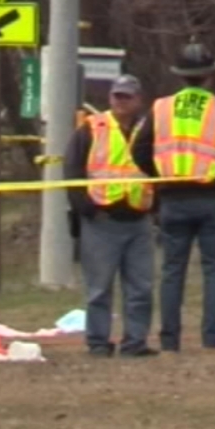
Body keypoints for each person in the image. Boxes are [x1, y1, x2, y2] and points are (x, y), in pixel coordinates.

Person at [132, 42, 215, 352]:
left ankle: (170, 340)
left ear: (180, 75)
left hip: (172, 198)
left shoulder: (162, 108)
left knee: (172, 270)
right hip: (212, 198)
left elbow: (138, 150)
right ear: (210, 75)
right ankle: (212, 340)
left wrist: (160, 175)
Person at [66, 75, 157, 358]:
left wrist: (157, 206)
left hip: (139, 218)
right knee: (99, 289)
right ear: (110, 98)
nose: (121, 101)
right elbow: (72, 171)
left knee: (141, 287)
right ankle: (97, 342)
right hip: (102, 218)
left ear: (138, 100)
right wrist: (86, 208)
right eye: (117, 96)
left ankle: (135, 342)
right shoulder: (92, 129)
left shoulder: (150, 129)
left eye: (127, 96)